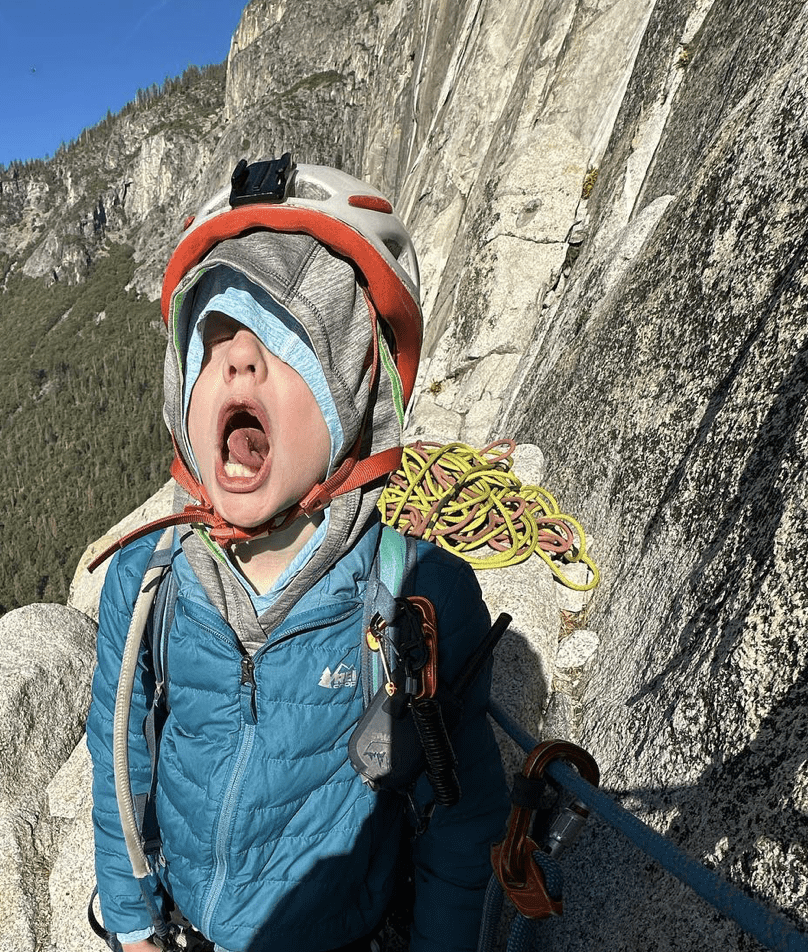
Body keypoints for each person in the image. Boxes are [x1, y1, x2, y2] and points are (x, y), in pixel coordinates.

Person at [87, 156, 509, 952]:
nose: (237, 361)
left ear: (356, 399)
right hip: (185, 930)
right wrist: (134, 920)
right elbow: (119, 760)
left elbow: (464, 819)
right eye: (211, 343)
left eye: (285, 338)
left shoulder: (415, 595)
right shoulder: (150, 583)